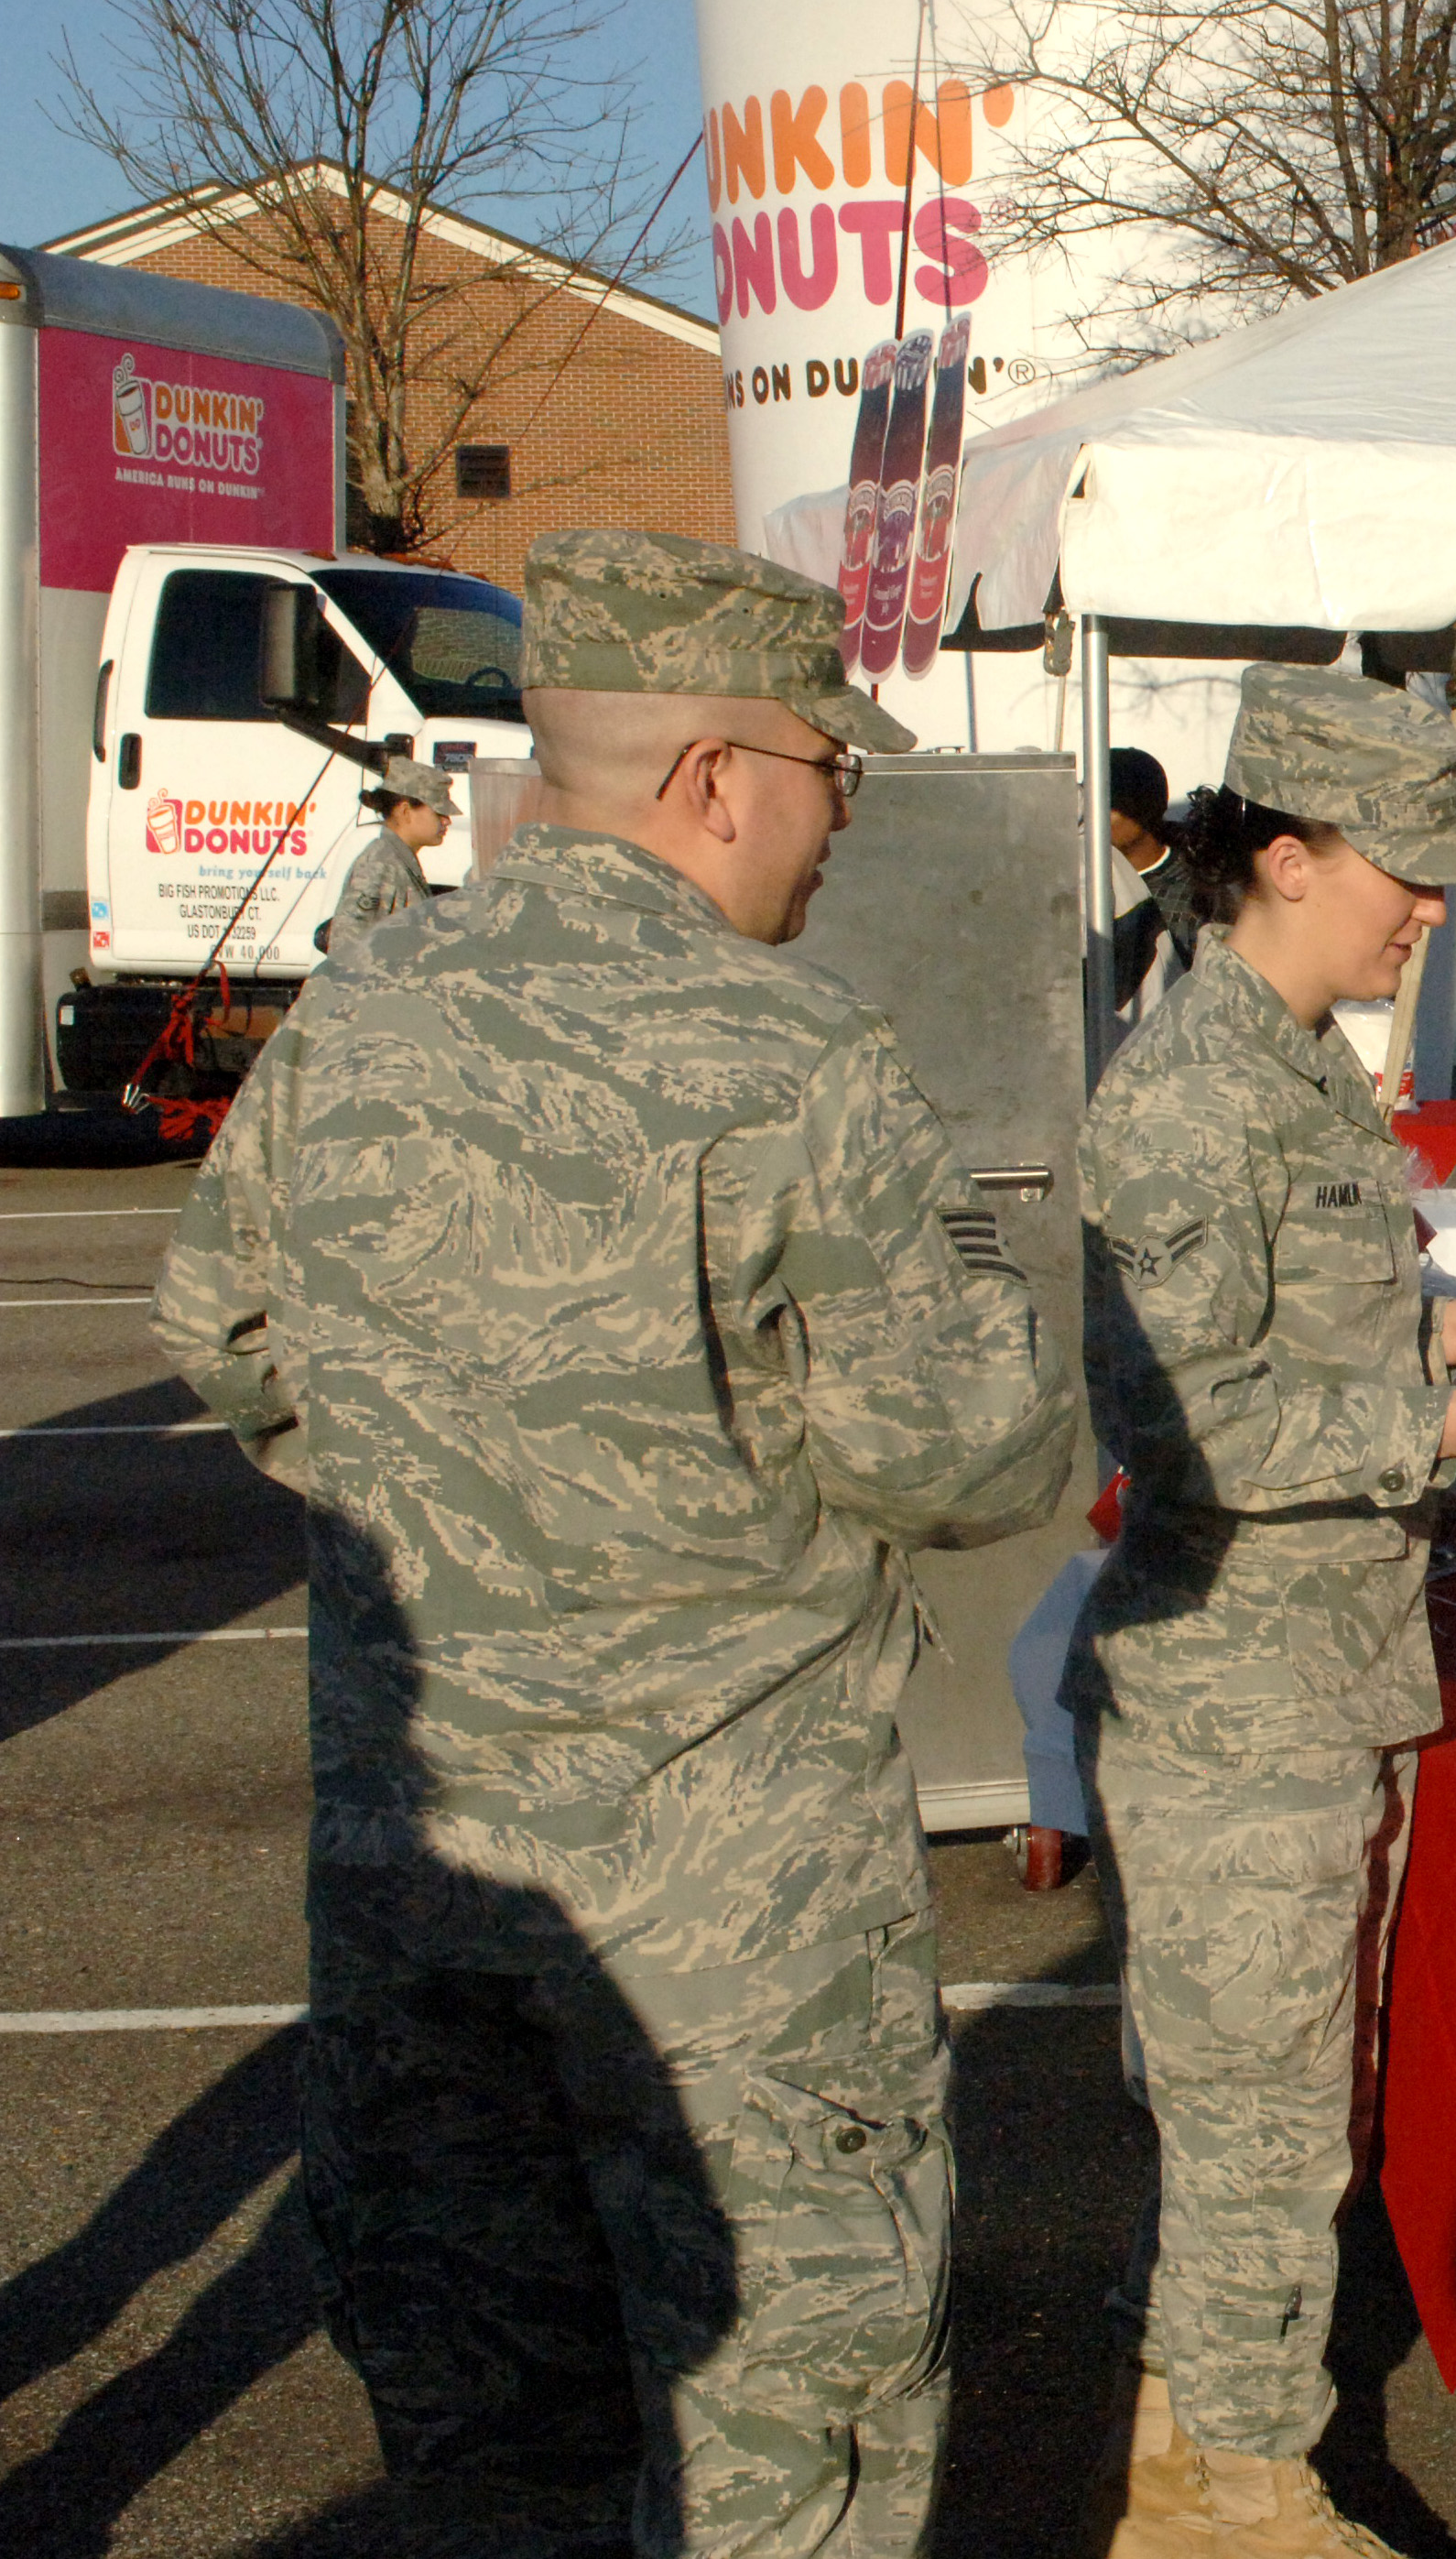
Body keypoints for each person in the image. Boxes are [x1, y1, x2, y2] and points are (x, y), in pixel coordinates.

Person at [151, 530, 1076, 2557]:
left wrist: (459, 1501)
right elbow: (968, 1452)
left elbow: (224, 1333)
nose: (842, 815)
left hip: (428, 1892)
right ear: (717, 774)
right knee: (781, 2459)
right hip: (732, 1929)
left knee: (494, 2454)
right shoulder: (794, 1059)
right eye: (834, 767)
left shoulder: (356, 1018)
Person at [1071, 666, 1456, 2559]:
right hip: (1236, 1683)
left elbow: (1280, 1334)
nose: (1430, 909)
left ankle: (1195, 2465)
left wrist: (1437, 1332)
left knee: (1259, 2107)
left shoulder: (1293, 1055)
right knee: (1258, 2122)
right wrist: (1444, 1414)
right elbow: (1179, 1410)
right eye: (1408, 870)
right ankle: (1237, 2497)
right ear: (1292, 852)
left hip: (1307, 1670)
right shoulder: (1193, 1086)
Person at [321, 753, 456, 953]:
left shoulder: (398, 861)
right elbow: (347, 945)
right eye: (438, 813)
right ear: (405, 811)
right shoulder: (380, 864)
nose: (447, 821)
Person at [1106, 744, 1195, 1017]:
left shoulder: (1197, 893)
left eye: (1107, 806)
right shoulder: (1083, 882)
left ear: (1143, 811)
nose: (1091, 819)